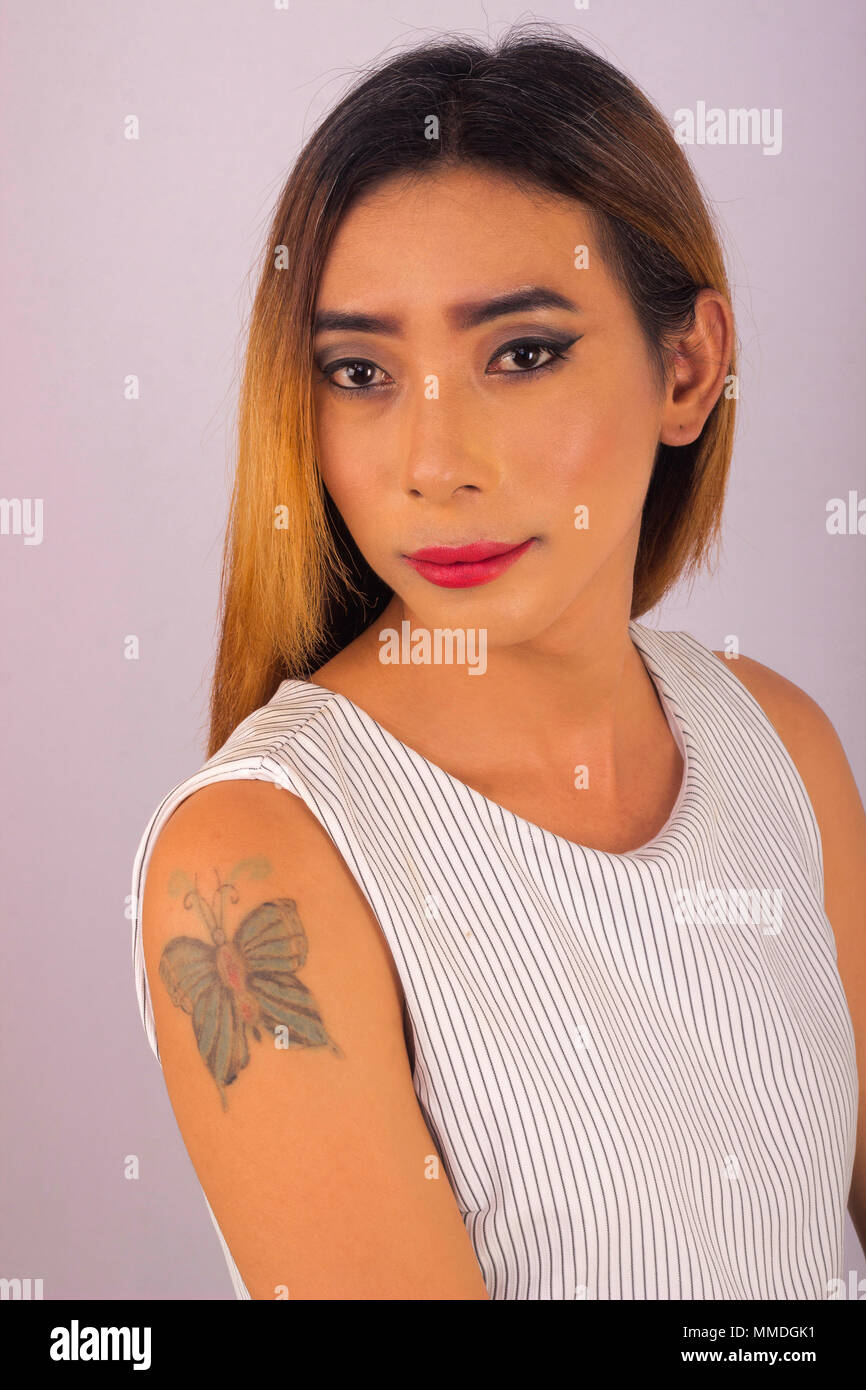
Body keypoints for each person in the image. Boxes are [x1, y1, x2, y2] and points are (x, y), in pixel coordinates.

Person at [130, 24, 864, 1300]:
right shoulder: (255, 869)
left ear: (685, 368)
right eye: (360, 371)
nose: (433, 461)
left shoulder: (779, 744)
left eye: (519, 354)